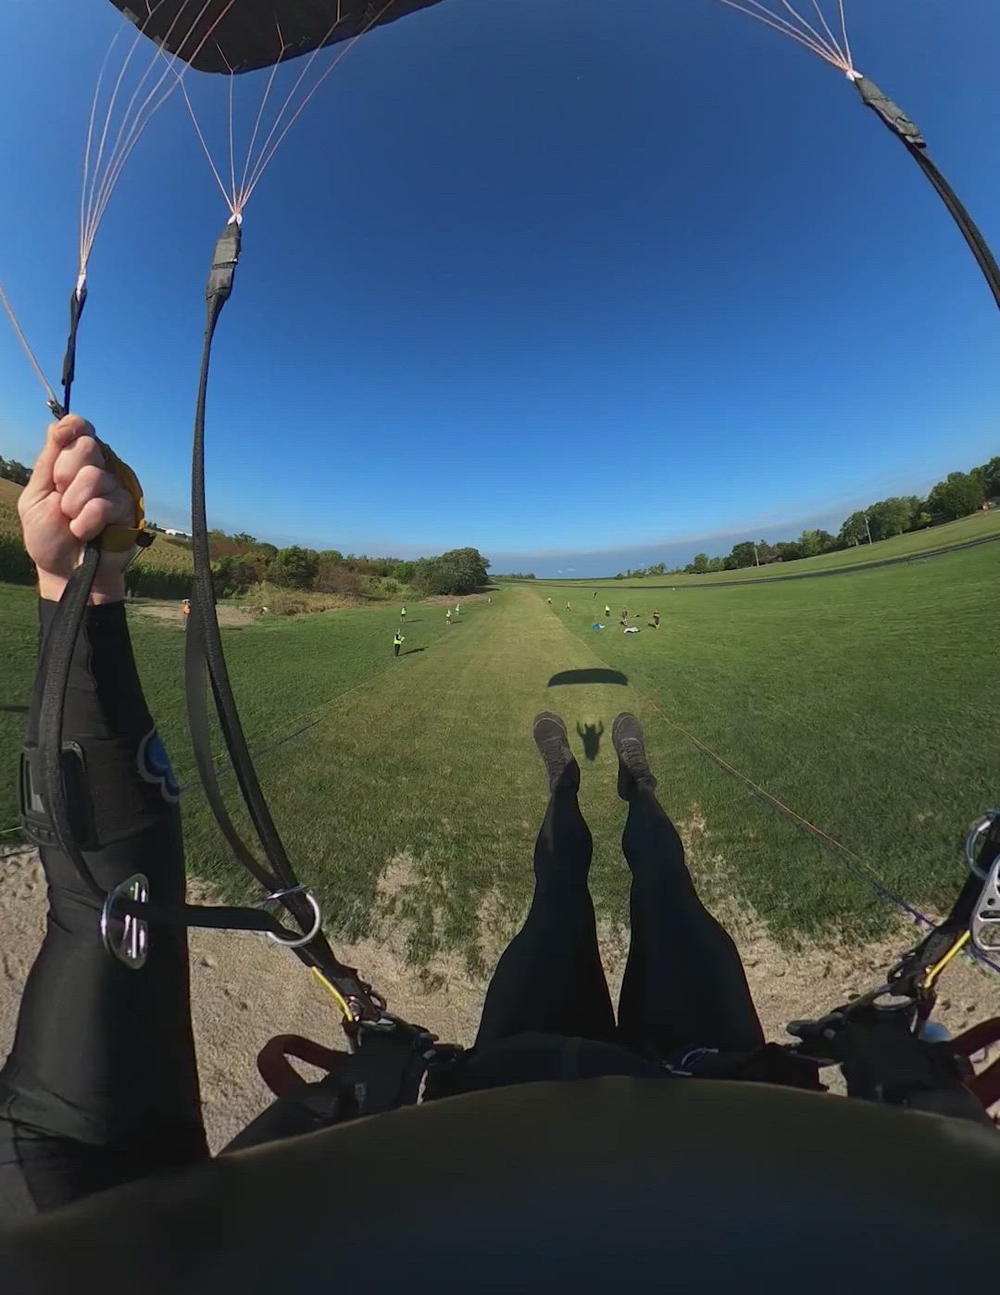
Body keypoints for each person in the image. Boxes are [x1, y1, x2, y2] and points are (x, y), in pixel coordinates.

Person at [1, 419, 992, 1253]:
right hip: (727, 1082)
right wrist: (922, 1093)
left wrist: (79, 591)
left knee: (557, 897)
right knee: (664, 883)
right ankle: (619, 786)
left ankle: (576, 785)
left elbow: (104, 906)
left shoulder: (84, 1235)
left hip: (513, 1074)